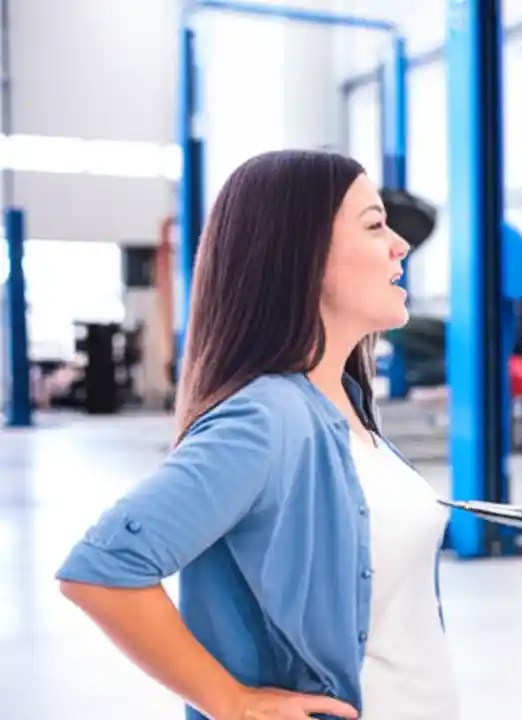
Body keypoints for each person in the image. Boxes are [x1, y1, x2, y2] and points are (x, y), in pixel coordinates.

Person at [55, 150, 460, 720]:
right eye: (374, 226)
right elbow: (101, 569)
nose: (400, 245)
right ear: (302, 256)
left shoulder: (344, 403)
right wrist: (232, 703)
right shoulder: (268, 418)